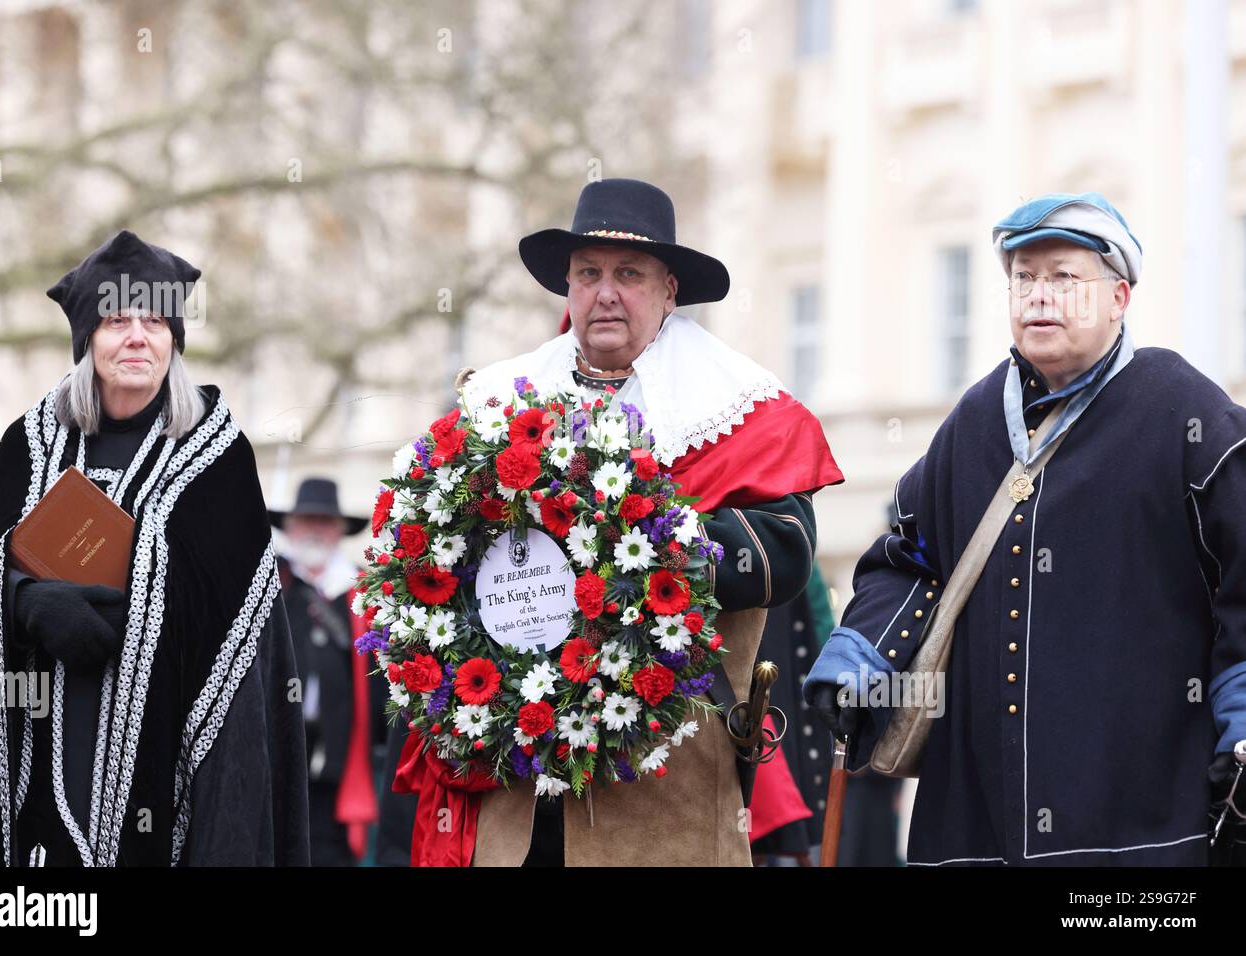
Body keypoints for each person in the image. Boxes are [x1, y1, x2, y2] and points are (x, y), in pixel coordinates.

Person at [408, 177, 844, 867]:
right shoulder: (499, 398)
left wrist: (632, 537)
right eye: (588, 274)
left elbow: (780, 559)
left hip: (668, 786)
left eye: (629, 274)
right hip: (520, 797)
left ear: (669, 290)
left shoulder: (737, 404)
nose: (605, 292)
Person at [805, 193, 1246, 866]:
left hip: (1141, 828)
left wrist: (1240, 725)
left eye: (1064, 277)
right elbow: (905, 556)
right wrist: (863, 657)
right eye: (1023, 278)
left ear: (1119, 297)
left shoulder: (1184, 408)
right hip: (976, 823)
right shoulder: (977, 416)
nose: (1038, 296)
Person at [0, 229, 310, 866]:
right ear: (88, 339)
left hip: (165, 759)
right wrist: (26, 598)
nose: (138, 336)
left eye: (155, 320)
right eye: (117, 320)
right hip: (37, 745)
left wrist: (140, 603)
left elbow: (236, 632)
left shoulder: (218, 457)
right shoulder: (30, 443)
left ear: (175, 338)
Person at [270, 477, 380, 866]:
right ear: (291, 526)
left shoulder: (361, 592)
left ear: (338, 529)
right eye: (306, 519)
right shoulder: (273, 583)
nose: (315, 528)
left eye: (325, 520)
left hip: (337, 756)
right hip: (279, 751)